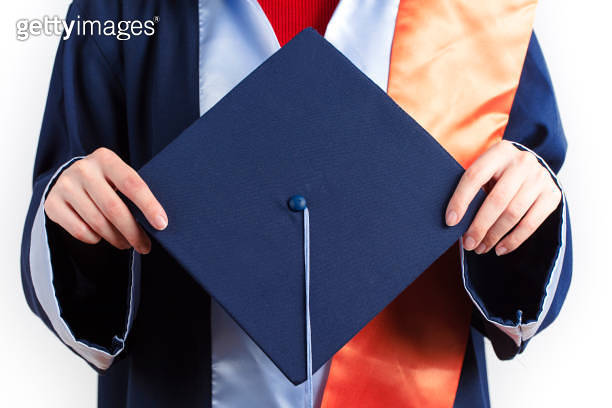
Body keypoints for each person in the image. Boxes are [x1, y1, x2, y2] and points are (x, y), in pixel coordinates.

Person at [20, 1, 571, 407]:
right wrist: (78, 228)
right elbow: (68, 212)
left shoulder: (478, 15)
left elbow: (524, 226)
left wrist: (526, 213)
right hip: (180, 385)